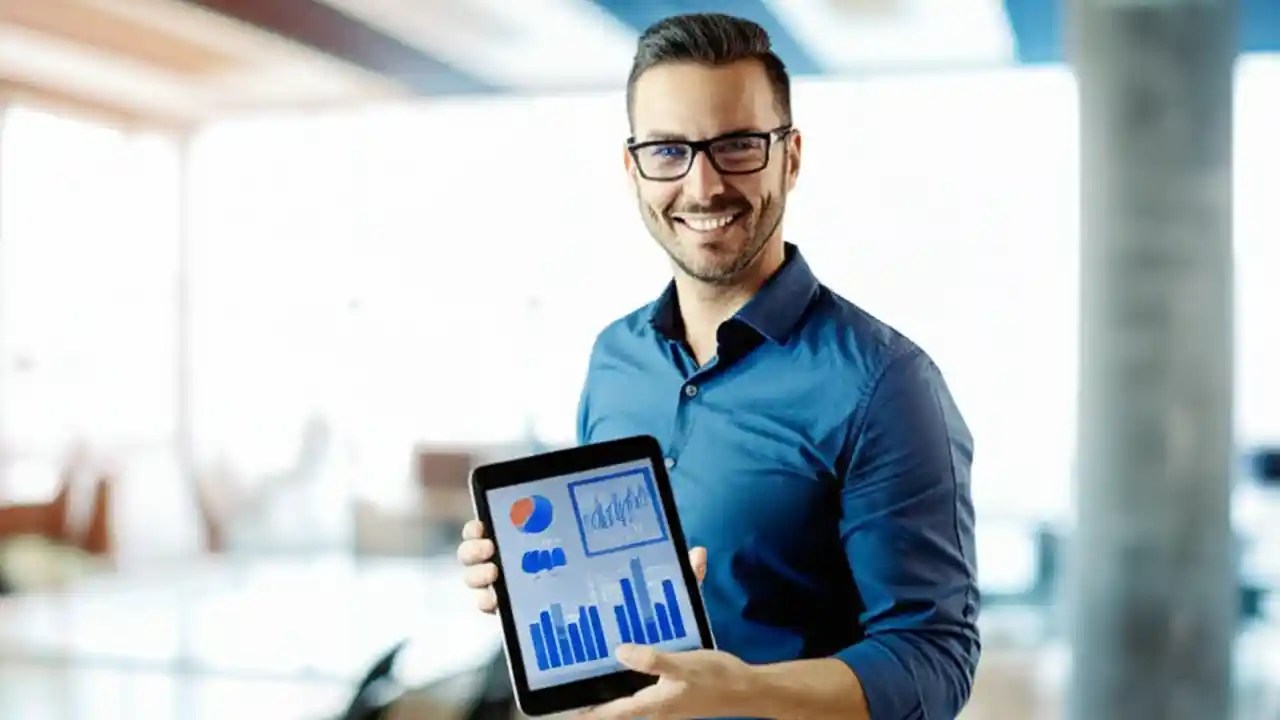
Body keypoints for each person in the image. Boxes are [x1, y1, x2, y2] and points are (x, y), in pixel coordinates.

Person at [458, 12, 979, 720]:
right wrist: (534, 586)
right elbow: (617, 599)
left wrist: (744, 690)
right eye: (669, 151)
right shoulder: (615, 359)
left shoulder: (886, 385)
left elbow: (932, 660)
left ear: (790, 157)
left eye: (736, 146)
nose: (703, 187)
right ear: (633, 168)